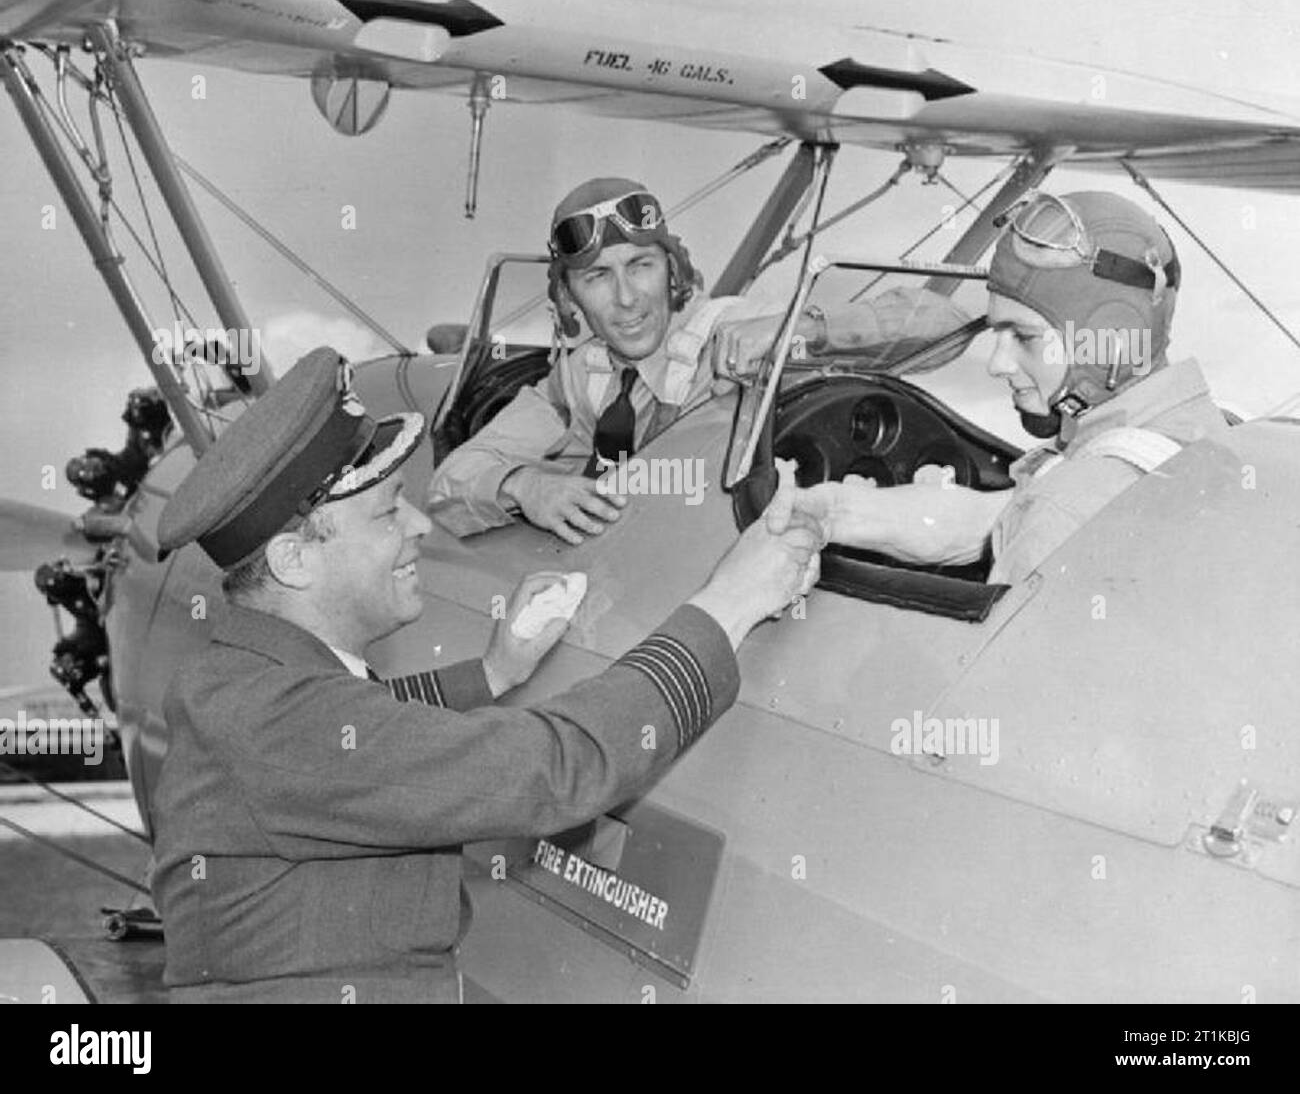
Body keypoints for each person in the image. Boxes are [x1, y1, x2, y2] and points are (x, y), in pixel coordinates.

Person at [149, 346, 823, 1003]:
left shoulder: (246, 681)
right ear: (295, 559)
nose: (418, 526)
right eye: (388, 514)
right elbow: (553, 772)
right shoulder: (283, 724)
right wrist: (729, 603)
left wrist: (493, 675)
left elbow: (367, 728)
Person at [426, 176, 969, 543]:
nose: (626, 298)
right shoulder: (577, 379)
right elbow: (451, 483)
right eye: (597, 277)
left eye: (641, 265)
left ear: (674, 270)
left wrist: (805, 329)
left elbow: (946, 326)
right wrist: (524, 486)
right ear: (568, 297)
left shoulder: (734, 333)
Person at [783, 191, 1229, 584]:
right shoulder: (1205, 433)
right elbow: (1002, 517)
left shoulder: (1066, 514)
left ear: (1112, 339)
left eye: (1023, 336)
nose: (998, 364)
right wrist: (836, 512)